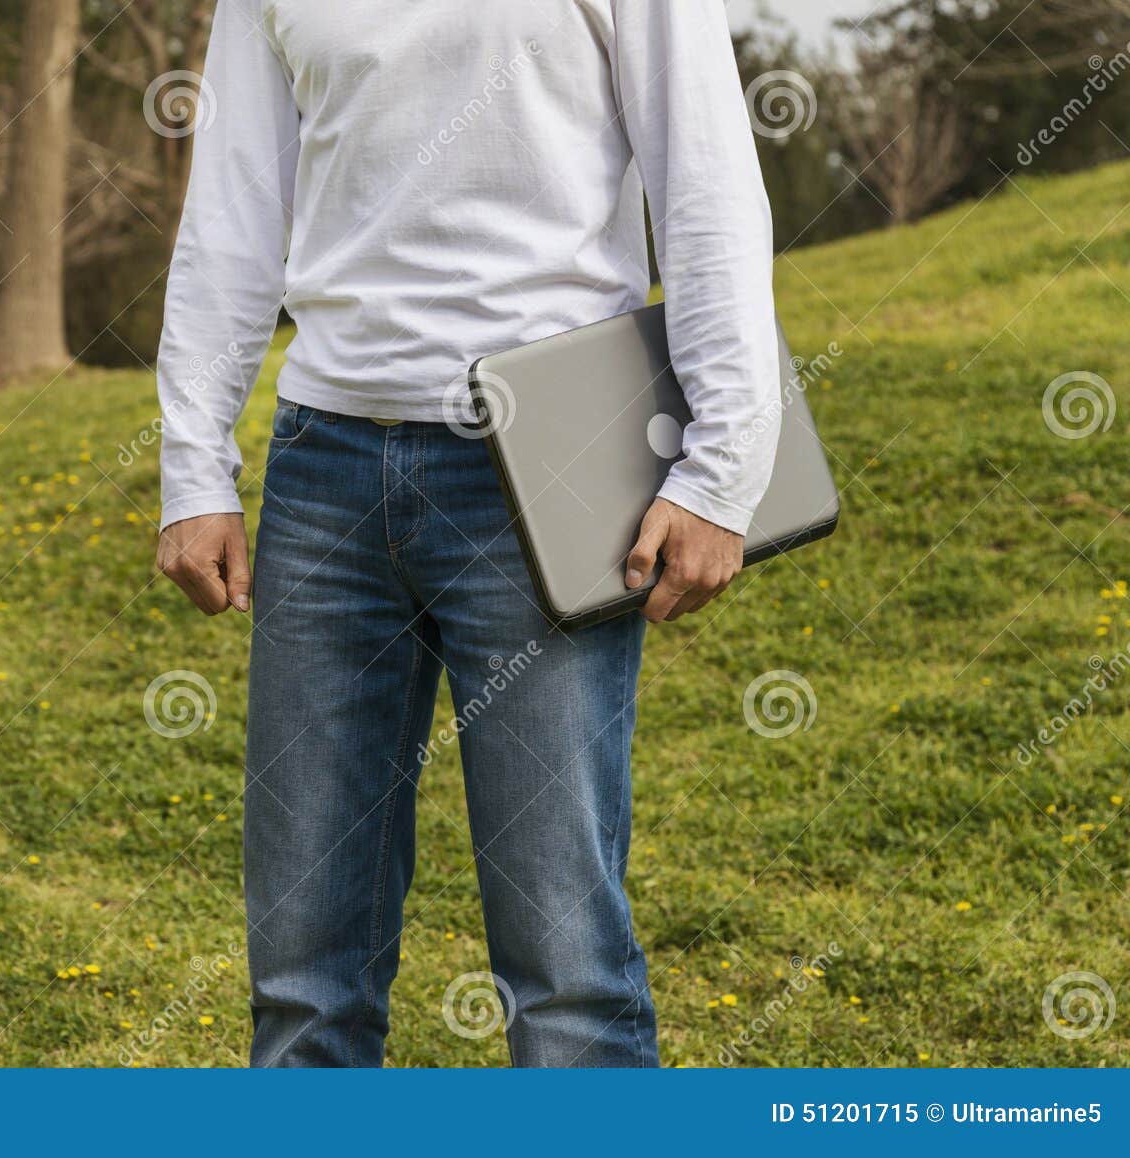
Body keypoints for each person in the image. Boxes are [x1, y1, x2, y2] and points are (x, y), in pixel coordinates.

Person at [153, 0, 779, 1067]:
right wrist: (190, 466)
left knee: (564, 964)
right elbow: (234, 206)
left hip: (550, 461)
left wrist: (724, 472)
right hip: (324, 469)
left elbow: (706, 180)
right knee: (304, 973)